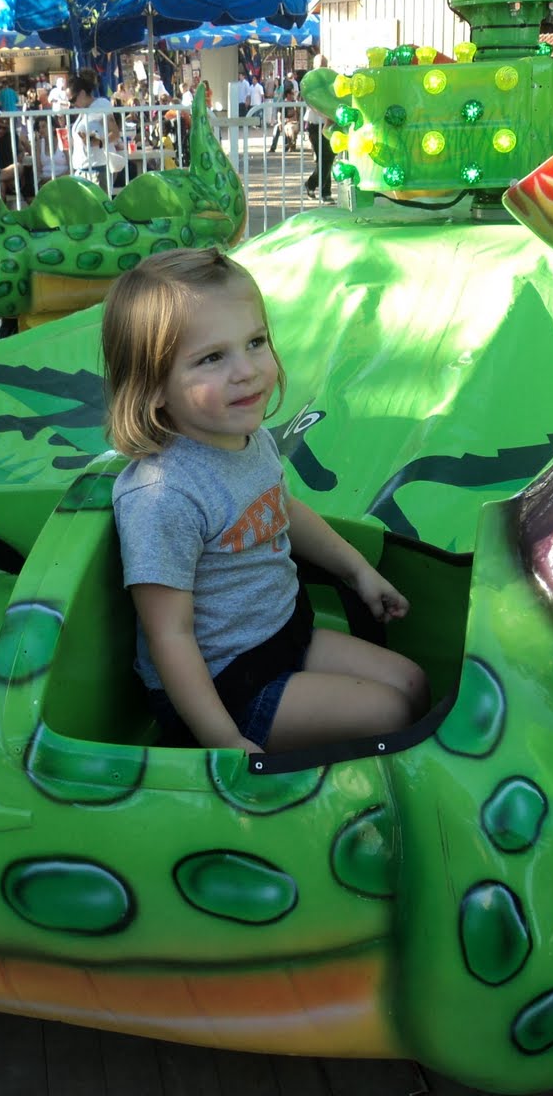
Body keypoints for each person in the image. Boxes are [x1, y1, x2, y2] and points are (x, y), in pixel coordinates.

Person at [103, 248, 429, 754]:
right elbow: (169, 635)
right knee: (393, 713)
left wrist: (357, 570)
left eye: (255, 342)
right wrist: (223, 740)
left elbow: (279, 509)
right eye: (212, 357)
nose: (247, 370)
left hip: (282, 634)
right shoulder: (163, 497)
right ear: (153, 387)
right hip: (225, 688)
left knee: (413, 685)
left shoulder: (248, 438)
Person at [68, 67, 122, 190]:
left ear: (82, 93)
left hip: (97, 170)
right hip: (84, 170)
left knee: (97, 208)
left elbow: (114, 133)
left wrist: (97, 142)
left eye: (72, 99)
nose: (71, 104)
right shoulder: (83, 111)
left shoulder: (101, 105)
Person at [303, 55, 334, 203]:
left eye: (324, 63)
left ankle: (319, 188)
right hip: (315, 124)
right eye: (320, 64)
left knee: (328, 157)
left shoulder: (330, 79)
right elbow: (310, 101)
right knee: (324, 158)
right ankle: (317, 187)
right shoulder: (310, 80)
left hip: (330, 122)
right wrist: (325, 113)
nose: (322, 66)